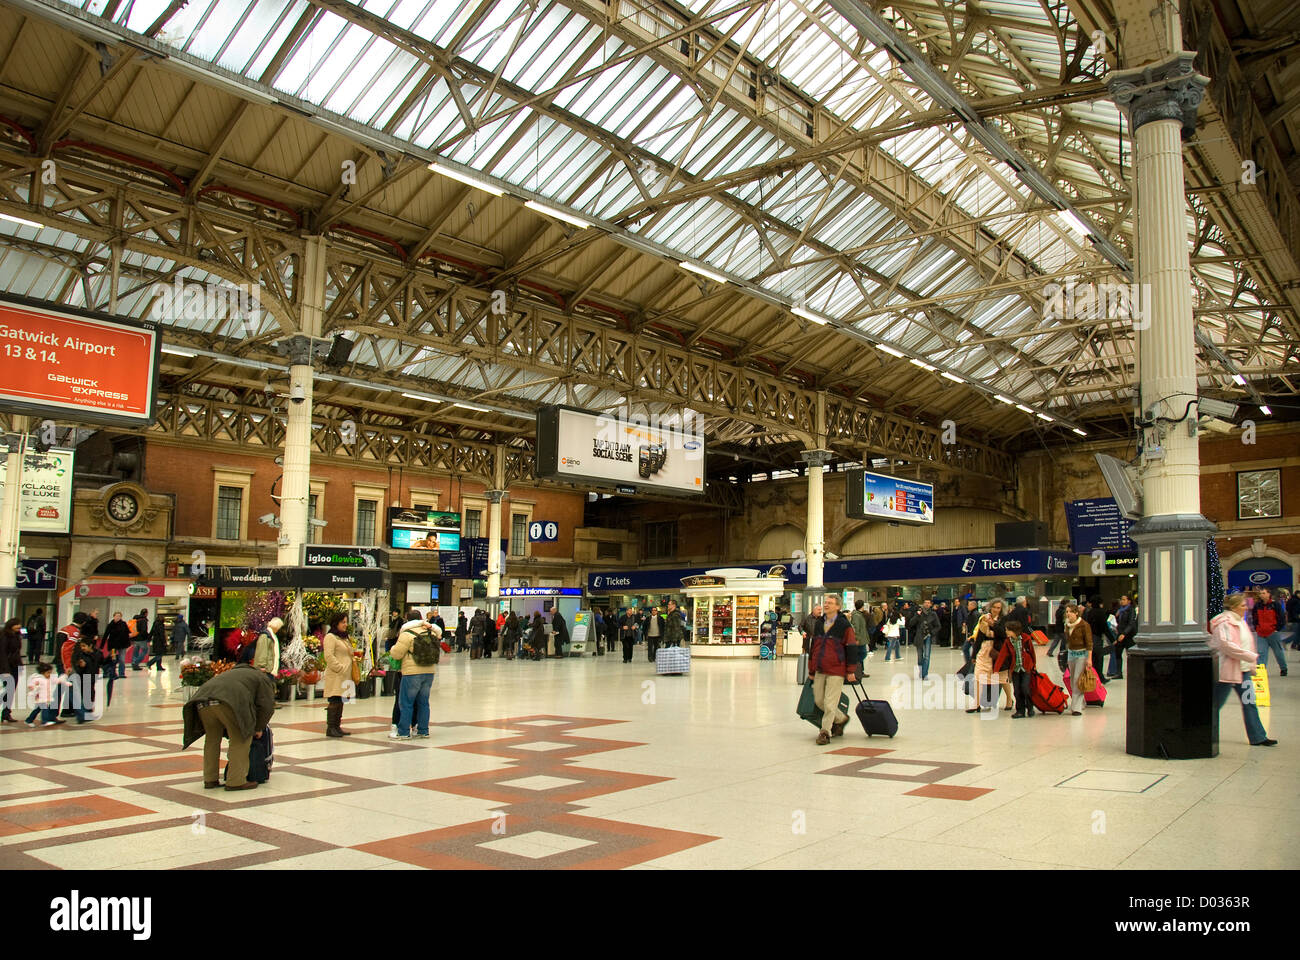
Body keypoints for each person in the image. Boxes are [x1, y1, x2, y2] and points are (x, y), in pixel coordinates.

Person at [181, 661, 277, 791]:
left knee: (212, 740)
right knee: (240, 739)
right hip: (228, 702)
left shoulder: (230, 673)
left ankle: (210, 779)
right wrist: (258, 727)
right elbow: (267, 706)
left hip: (201, 702)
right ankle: (236, 781)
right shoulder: (261, 677)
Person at [1208, 592, 1276, 746]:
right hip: (1227, 672)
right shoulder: (1224, 623)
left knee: (1249, 702)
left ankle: (1258, 736)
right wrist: (1248, 656)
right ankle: (1202, 731)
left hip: (1242, 670)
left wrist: (1249, 662)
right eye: (1243, 605)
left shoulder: (1241, 622)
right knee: (1216, 703)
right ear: (1233, 607)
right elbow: (1226, 645)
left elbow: (1246, 643)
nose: (1246, 608)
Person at [807, 594, 859, 745]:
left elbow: (851, 648)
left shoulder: (844, 626)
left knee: (830, 703)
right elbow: (813, 647)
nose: (826, 605)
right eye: (826, 602)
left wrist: (850, 671)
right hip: (820, 668)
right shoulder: (819, 624)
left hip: (836, 669)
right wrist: (811, 670)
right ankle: (841, 719)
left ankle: (825, 732)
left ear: (838, 606)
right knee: (818, 700)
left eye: (830, 603)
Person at [388, 611, 441, 740]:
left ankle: (404, 731)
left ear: (407, 619)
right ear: (421, 618)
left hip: (412, 673)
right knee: (423, 702)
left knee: (406, 703)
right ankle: (423, 730)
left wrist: (392, 649)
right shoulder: (431, 632)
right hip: (429, 671)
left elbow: (397, 654)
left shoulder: (407, 634)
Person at [322, 611, 361, 738]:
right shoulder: (331, 637)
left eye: (346, 622)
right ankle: (331, 727)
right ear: (336, 623)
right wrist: (340, 668)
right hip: (336, 675)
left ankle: (337, 726)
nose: (345, 625)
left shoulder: (343, 637)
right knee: (334, 700)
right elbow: (328, 655)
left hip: (345, 676)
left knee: (341, 700)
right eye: (343, 622)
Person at [966, 599, 1006, 714]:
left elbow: (1003, 633)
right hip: (984, 650)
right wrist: (974, 654)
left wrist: (992, 624)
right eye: (994, 607)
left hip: (997, 651)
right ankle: (976, 704)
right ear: (990, 607)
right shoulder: (983, 619)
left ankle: (998, 701)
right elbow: (979, 637)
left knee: (997, 678)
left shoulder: (1003, 619)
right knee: (978, 676)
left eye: (999, 608)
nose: (996, 610)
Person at [994, 619, 1037, 718]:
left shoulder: (1026, 638)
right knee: (1017, 690)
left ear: (1013, 630)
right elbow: (1002, 655)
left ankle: (1030, 707)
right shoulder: (1008, 641)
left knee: (1025, 688)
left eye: (1007, 630)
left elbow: (1032, 652)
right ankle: (1020, 710)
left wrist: (1034, 665)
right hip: (1015, 669)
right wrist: (996, 669)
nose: (1006, 632)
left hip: (1026, 668)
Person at [1249, 588, 1287, 677]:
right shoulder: (1257, 605)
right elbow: (1255, 617)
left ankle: (1283, 668)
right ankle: (1262, 671)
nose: (1261, 595)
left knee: (1278, 652)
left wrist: (1277, 628)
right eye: (1261, 593)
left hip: (1273, 633)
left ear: (1269, 594)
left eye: (1263, 593)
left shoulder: (1275, 605)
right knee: (1261, 653)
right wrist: (1257, 627)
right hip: (1261, 633)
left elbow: (1281, 617)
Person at [1062, 603, 1091, 715]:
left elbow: (1089, 643)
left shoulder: (1084, 625)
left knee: (1077, 680)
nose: (1068, 614)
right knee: (1072, 678)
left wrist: (1089, 659)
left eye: (1070, 611)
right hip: (1071, 654)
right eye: (1067, 611)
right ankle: (1081, 701)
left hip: (1081, 654)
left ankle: (1076, 707)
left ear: (1076, 613)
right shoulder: (1067, 625)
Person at [907, 598, 940, 680]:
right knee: (920, 657)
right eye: (925, 602)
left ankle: (925, 674)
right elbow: (911, 623)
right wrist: (917, 615)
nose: (927, 604)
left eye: (928, 603)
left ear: (931, 604)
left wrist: (932, 633)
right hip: (919, 637)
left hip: (928, 636)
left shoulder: (933, 614)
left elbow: (938, 626)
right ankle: (921, 671)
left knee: (927, 656)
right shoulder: (919, 613)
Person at [1108, 595, 1137, 679]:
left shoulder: (1131, 610)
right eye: (1121, 599)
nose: (1122, 601)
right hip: (1120, 634)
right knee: (1118, 653)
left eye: (1124, 599)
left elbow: (1131, 623)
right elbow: (1119, 622)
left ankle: (1132, 672)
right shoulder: (1120, 611)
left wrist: (1124, 633)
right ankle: (1118, 672)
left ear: (1129, 601)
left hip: (1128, 635)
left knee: (1130, 654)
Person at [0, 618, 21, 723]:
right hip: (7, 667)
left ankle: (6, 713)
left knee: (11, 690)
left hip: (15, 665)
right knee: (8, 690)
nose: (19, 626)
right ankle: (5, 712)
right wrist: (5, 669)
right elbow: (2, 653)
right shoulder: (5, 636)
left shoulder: (17, 636)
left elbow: (17, 652)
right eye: (17, 624)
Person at [1084, 598, 1108, 684]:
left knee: (1093, 659)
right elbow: (1105, 627)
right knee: (1099, 658)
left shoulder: (1089, 612)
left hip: (1089, 637)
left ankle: (1093, 677)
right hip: (1097, 637)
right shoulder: (1101, 612)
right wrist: (1112, 639)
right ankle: (1100, 677)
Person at [104, 612, 130, 679]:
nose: (118, 617)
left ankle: (121, 673)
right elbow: (106, 634)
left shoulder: (124, 624)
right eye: (116, 616)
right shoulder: (110, 625)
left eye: (119, 616)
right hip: (113, 645)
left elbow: (127, 633)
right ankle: (110, 672)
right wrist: (102, 645)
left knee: (122, 659)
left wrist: (129, 644)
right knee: (113, 659)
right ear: (114, 616)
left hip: (123, 645)